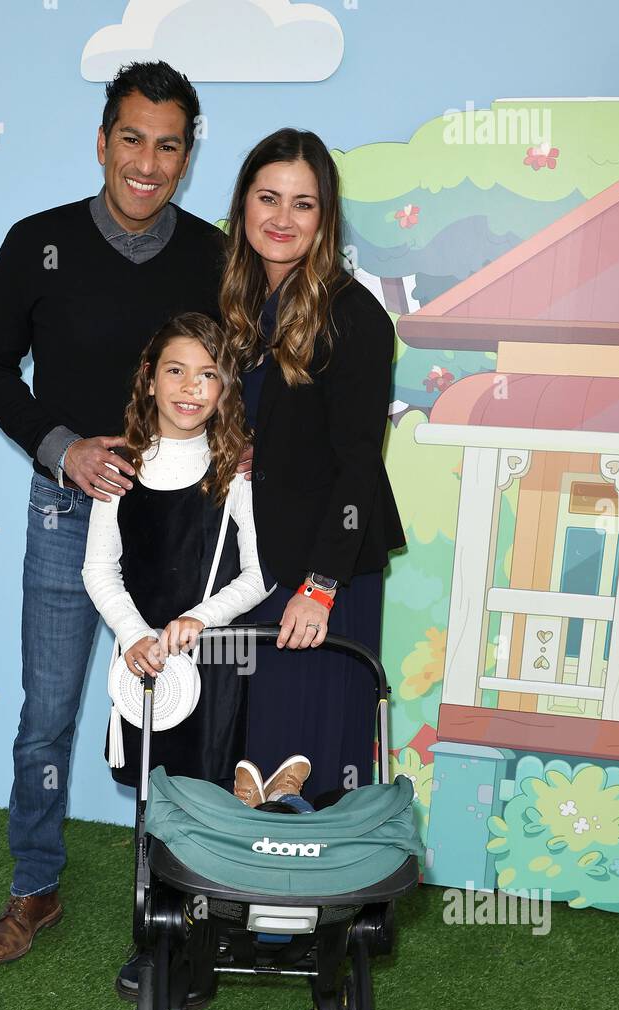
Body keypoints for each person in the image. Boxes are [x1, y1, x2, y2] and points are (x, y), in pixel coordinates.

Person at [0, 61, 232, 966]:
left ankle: (177, 901)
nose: (146, 162)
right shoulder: (34, 242)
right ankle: (33, 889)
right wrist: (63, 449)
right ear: (102, 141)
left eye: (167, 144)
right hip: (63, 517)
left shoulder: (211, 256)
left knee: (175, 713)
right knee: (48, 715)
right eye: (131, 139)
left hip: (175, 529)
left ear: (187, 155)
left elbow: (237, 385)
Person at [220, 129, 407, 804]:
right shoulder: (238, 307)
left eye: (302, 204)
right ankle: (248, 897)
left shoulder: (352, 316)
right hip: (258, 560)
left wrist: (319, 586)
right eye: (268, 197)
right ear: (242, 205)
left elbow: (359, 462)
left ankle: (315, 903)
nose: (281, 217)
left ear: (325, 218)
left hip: (326, 567)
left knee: (310, 759)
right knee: (254, 756)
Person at [82, 312, 269, 792]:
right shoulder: (119, 469)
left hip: (218, 663)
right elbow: (100, 569)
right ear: (148, 379)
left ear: (225, 390)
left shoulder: (238, 471)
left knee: (209, 794)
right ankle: (151, 872)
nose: (191, 387)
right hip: (144, 661)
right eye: (175, 371)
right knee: (154, 794)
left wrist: (201, 619)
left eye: (208, 375)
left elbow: (259, 574)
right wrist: (134, 635)